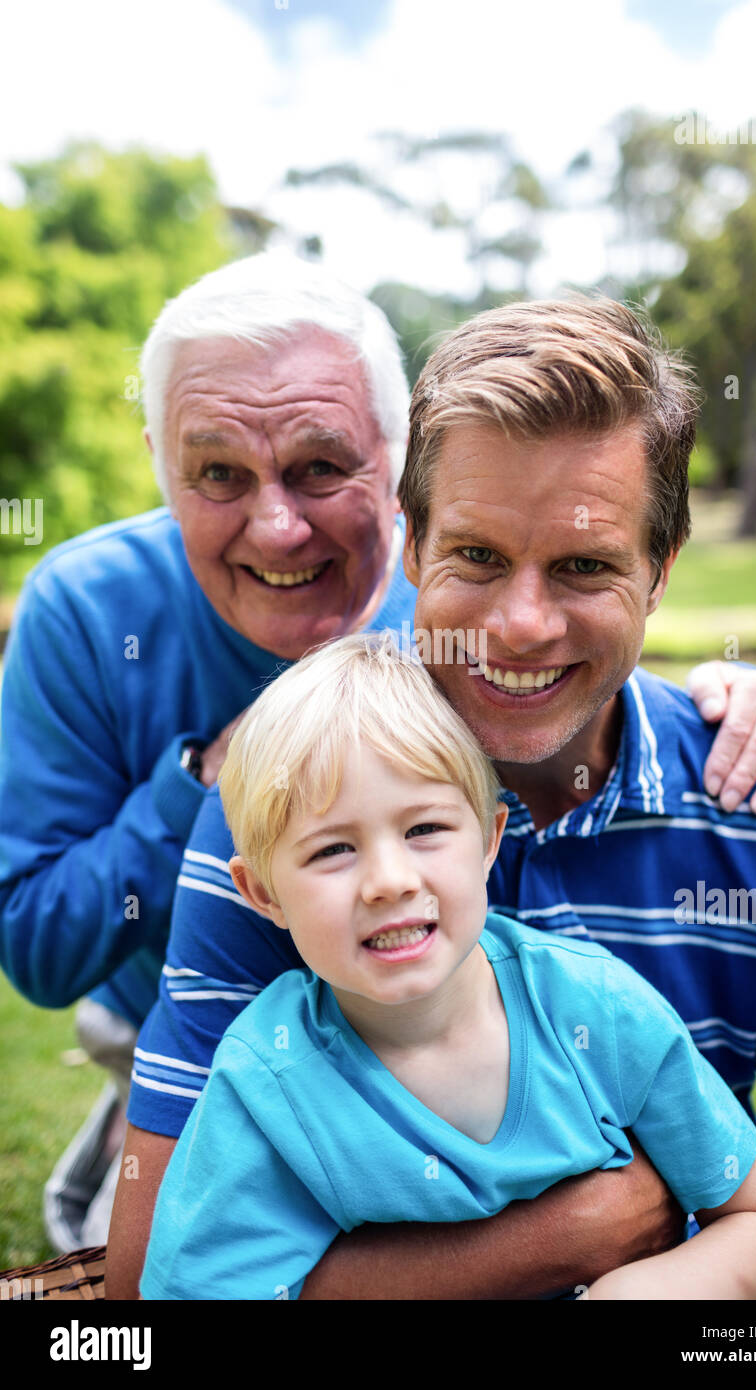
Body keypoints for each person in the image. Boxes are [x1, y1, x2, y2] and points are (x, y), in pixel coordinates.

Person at [109, 295, 756, 1301]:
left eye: (585, 566)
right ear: (412, 544)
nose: (519, 625)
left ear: (659, 572)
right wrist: (567, 1238)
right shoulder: (295, 804)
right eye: (477, 556)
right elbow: (150, 1285)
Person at [140, 633, 756, 1301]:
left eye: (424, 830)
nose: (390, 881)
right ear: (262, 893)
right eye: (333, 850)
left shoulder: (596, 1010)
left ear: (489, 840)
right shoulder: (269, 1082)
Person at [0, 249, 418, 1250]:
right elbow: (39, 947)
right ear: (161, 463)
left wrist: (722, 700)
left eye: (320, 467)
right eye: (219, 474)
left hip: (440, 1045)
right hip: (178, 1049)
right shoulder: (84, 609)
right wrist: (209, 782)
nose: (276, 529)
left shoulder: (466, 590)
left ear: (399, 458)